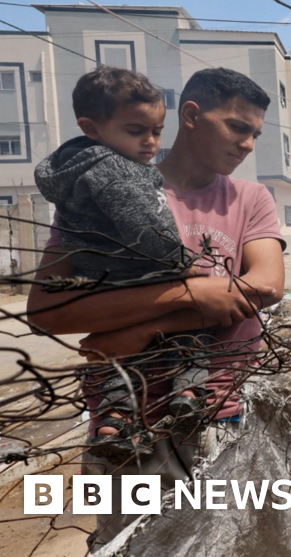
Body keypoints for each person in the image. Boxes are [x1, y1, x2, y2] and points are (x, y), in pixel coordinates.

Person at [27, 67, 285, 551]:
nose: (247, 144)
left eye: (254, 133)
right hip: (124, 428)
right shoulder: (99, 192)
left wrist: (145, 328)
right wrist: (196, 297)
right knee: (128, 545)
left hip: (219, 416)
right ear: (191, 115)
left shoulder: (251, 198)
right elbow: (46, 309)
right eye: (237, 127)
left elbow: (266, 286)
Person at [33, 66, 212, 463]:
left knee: (119, 361)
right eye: (136, 132)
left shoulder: (74, 168)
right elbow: (145, 228)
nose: (150, 142)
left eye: (157, 131)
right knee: (192, 331)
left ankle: (114, 422)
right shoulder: (113, 169)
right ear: (91, 127)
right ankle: (189, 395)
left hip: (103, 282)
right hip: (146, 272)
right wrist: (182, 264)